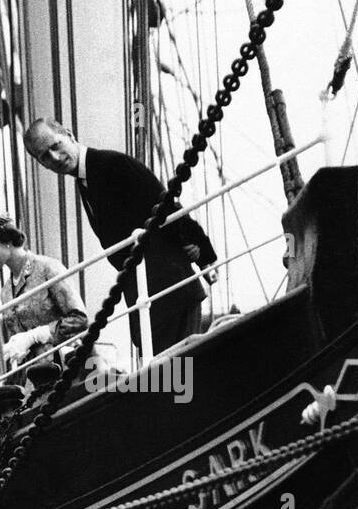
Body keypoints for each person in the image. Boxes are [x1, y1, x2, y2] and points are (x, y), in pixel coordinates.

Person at [23, 117, 218, 355]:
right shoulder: (87, 180)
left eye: (55, 146)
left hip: (168, 290)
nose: (54, 157)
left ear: (69, 135)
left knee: (177, 378)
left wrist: (202, 251)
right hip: (146, 294)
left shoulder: (112, 165)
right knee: (164, 379)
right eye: (44, 156)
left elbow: (163, 204)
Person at [0, 208, 89, 369]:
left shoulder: (48, 268)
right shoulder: (6, 293)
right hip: (33, 379)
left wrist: (36, 335)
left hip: (68, 369)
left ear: (5, 239)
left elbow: (80, 321)